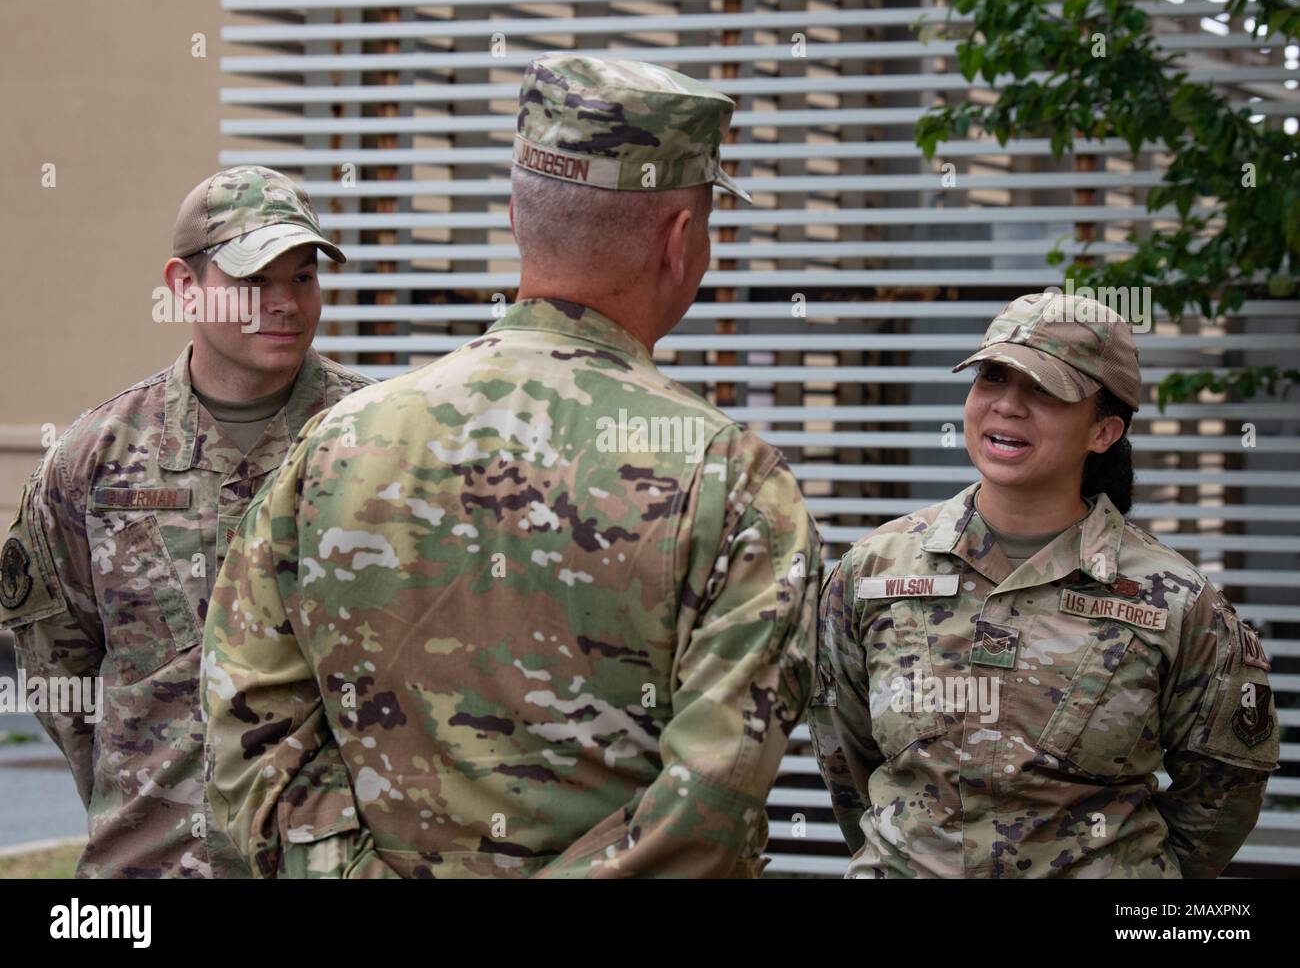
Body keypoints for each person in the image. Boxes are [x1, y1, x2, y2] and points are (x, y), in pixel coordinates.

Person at [202, 52, 820, 879]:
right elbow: (705, 809)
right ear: (680, 241)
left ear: (514, 217)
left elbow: (250, 726)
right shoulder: (735, 484)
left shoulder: (335, 444)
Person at [809, 292, 1280, 878]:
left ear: (1104, 430)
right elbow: (844, 754)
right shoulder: (873, 571)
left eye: (1044, 390)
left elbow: (1224, 790)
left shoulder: (1174, 600)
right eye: (992, 378)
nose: (1007, 406)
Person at [0, 166, 373, 877]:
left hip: (329, 860)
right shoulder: (95, 459)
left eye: (302, 279)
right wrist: (143, 786)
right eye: (253, 282)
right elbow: (57, 664)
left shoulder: (375, 440)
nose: (285, 304)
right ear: (183, 287)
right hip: (153, 865)